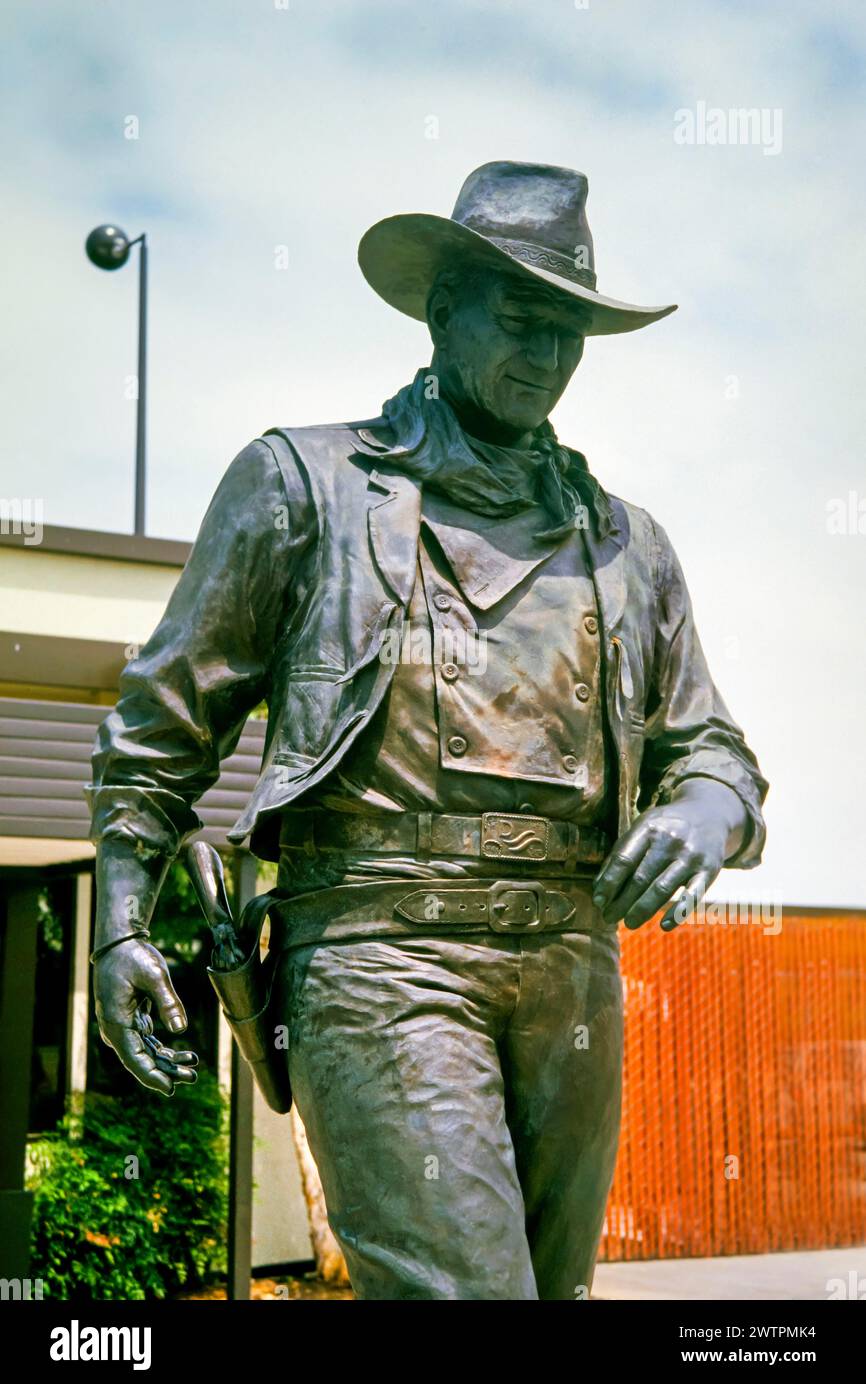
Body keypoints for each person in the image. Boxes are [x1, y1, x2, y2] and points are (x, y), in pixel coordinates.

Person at [87, 161, 768, 1299]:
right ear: (440, 306)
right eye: (517, 320)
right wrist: (116, 922)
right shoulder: (301, 486)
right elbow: (161, 724)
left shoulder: (623, 543)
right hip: (376, 950)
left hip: (569, 965)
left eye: (567, 333)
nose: (544, 358)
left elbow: (711, 748)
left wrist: (706, 807)